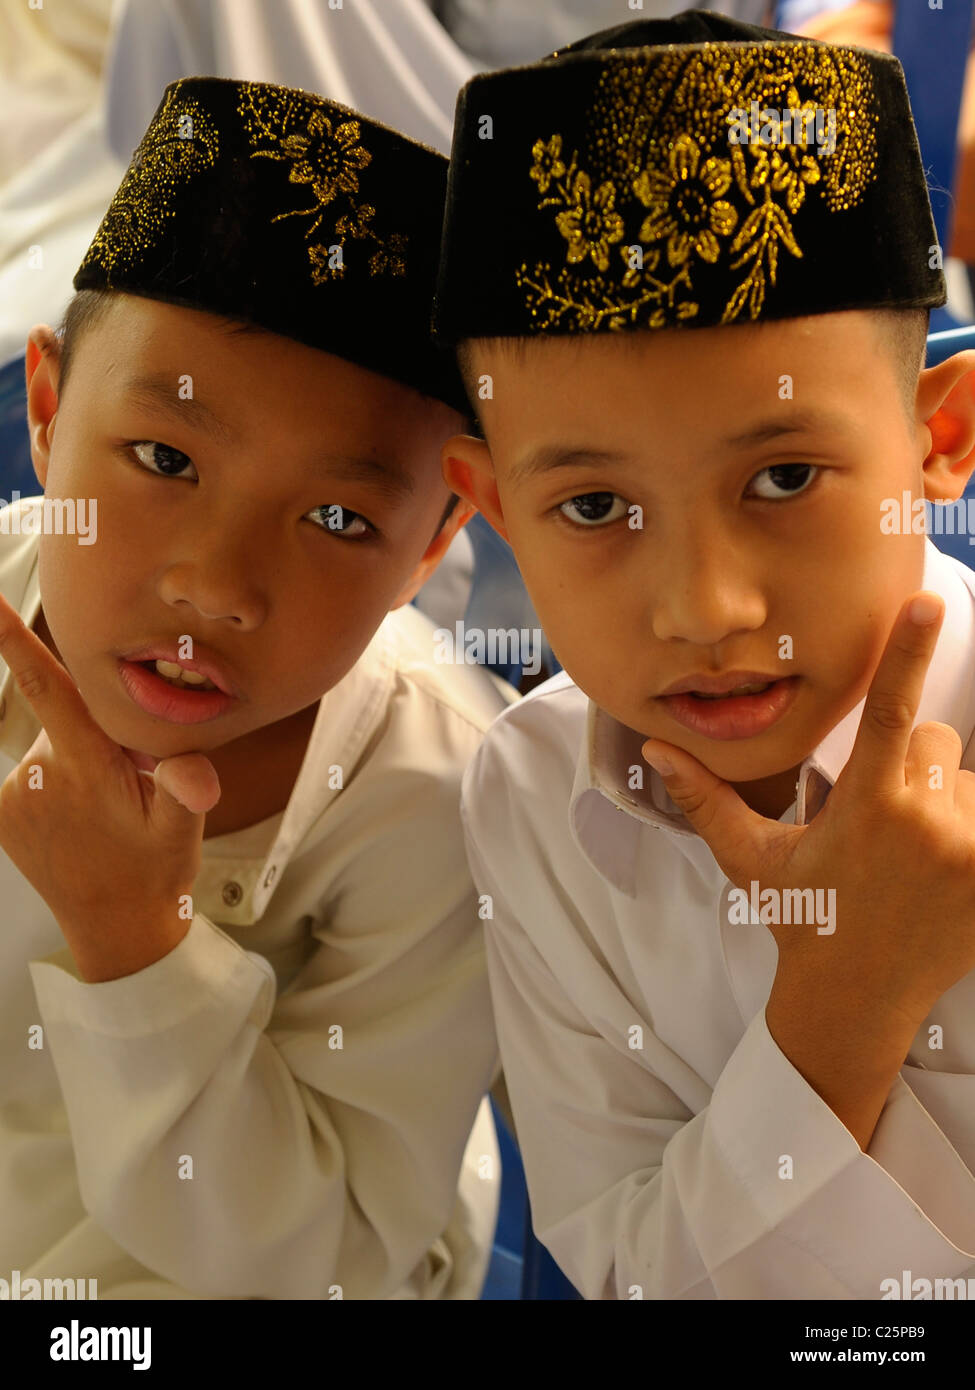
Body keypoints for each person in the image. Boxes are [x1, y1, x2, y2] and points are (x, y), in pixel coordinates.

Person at [434, 11, 975, 1297]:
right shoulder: (526, 795)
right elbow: (623, 1270)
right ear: (495, 509)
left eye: (784, 476)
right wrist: (842, 1001)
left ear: (940, 442)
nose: (704, 609)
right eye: (595, 508)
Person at [0, 75, 514, 1300]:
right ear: (45, 410)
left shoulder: (437, 794)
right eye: (164, 458)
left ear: (434, 546)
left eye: (338, 517)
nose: (217, 587)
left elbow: (327, 1248)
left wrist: (139, 947)